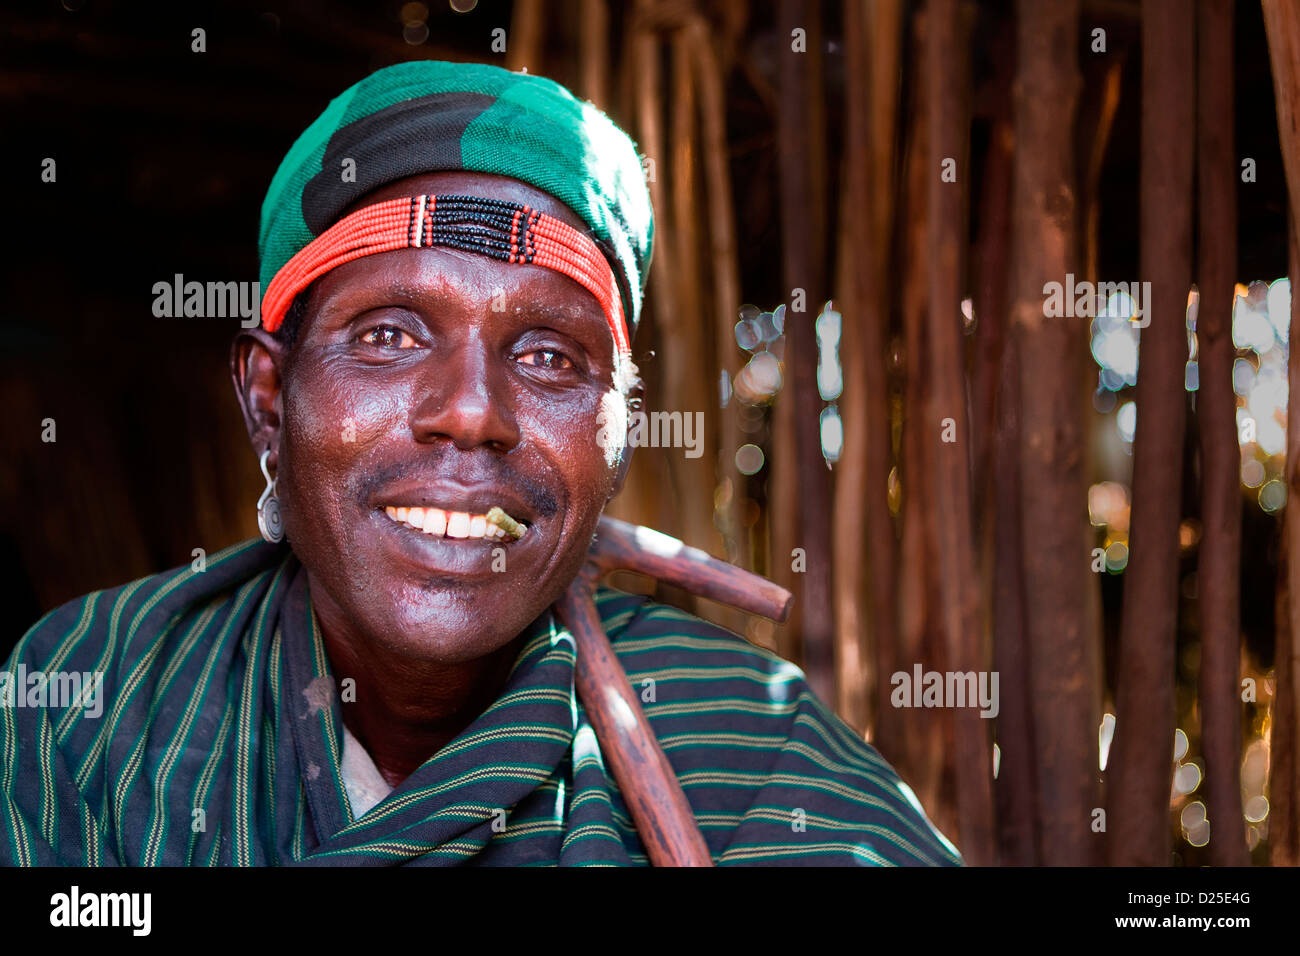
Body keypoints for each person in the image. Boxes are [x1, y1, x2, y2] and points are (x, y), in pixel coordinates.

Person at [0, 60, 961, 867]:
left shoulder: (754, 757)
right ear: (267, 397)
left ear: (618, 429)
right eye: (386, 335)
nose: (472, 411)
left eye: (550, 356)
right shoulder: (97, 698)